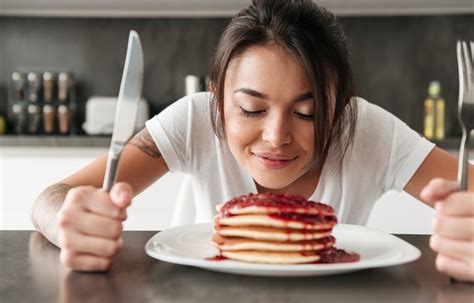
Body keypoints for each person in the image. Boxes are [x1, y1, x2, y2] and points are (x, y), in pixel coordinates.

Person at [30, 0, 474, 281]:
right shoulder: (195, 119)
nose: (276, 136)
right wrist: (67, 221)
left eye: (309, 113)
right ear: (218, 97)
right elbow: (51, 198)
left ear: (340, 109)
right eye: (250, 109)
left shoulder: (368, 129)